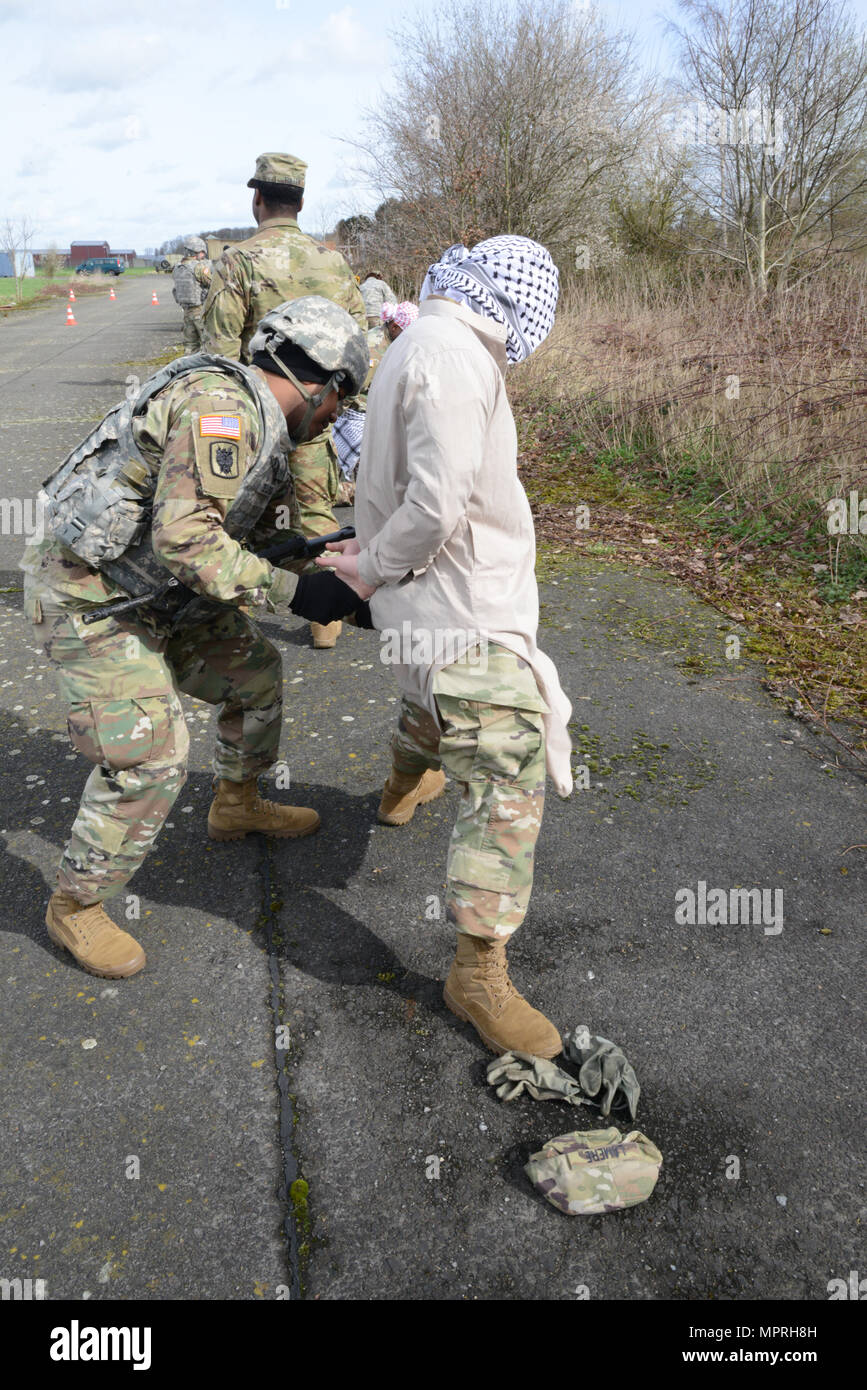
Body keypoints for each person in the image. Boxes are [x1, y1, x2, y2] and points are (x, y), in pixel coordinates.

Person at [21, 298, 368, 980]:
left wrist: (320, 562)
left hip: (159, 588)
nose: (333, 420)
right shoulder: (223, 411)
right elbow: (187, 541)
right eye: (339, 404)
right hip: (92, 595)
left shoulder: (256, 422)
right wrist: (300, 595)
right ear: (320, 384)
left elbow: (237, 534)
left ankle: (235, 805)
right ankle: (75, 903)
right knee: (152, 752)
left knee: (255, 676)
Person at [318, 237, 572, 1059]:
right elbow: (435, 505)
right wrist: (372, 568)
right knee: (505, 765)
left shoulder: (417, 341)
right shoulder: (456, 357)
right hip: (465, 606)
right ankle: (478, 973)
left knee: (433, 711)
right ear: (513, 301)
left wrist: (373, 562)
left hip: (433, 606)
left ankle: (401, 787)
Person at [201, 153, 367, 651]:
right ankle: (328, 617)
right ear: (300, 201)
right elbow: (361, 339)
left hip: (255, 415)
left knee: (240, 519)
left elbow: (218, 353)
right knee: (317, 513)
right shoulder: (333, 261)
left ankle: (230, 622)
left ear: (257, 199)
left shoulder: (237, 262)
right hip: (317, 412)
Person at [333, 301, 419, 498]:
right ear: (394, 327)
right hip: (358, 412)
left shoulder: (396, 342)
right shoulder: (373, 348)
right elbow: (354, 388)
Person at [172, 236, 211, 351]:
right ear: (197, 252)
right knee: (208, 345)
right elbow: (211, 283)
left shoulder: (177, 268)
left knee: (190, 346)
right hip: (200, 312)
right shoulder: (198, 267)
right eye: (202, 253)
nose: (203, 255)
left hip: (186, 312)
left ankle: (189, 368)